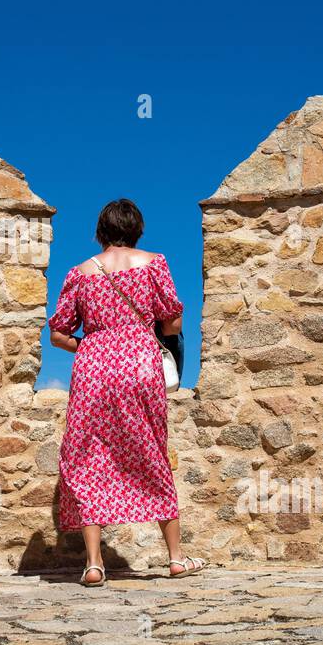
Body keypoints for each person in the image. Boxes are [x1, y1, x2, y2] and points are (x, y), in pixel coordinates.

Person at [47, 198, 205, 586]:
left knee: (87, 457)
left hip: (93, 368)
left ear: (101, 231)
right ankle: (176, 557)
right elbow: (172, 323)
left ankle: (95, 563)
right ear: (137, 229)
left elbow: (57, 334)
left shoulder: (80, 273)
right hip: (139, 364)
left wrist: (91, 344)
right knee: (150, 448)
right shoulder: (155, 264)